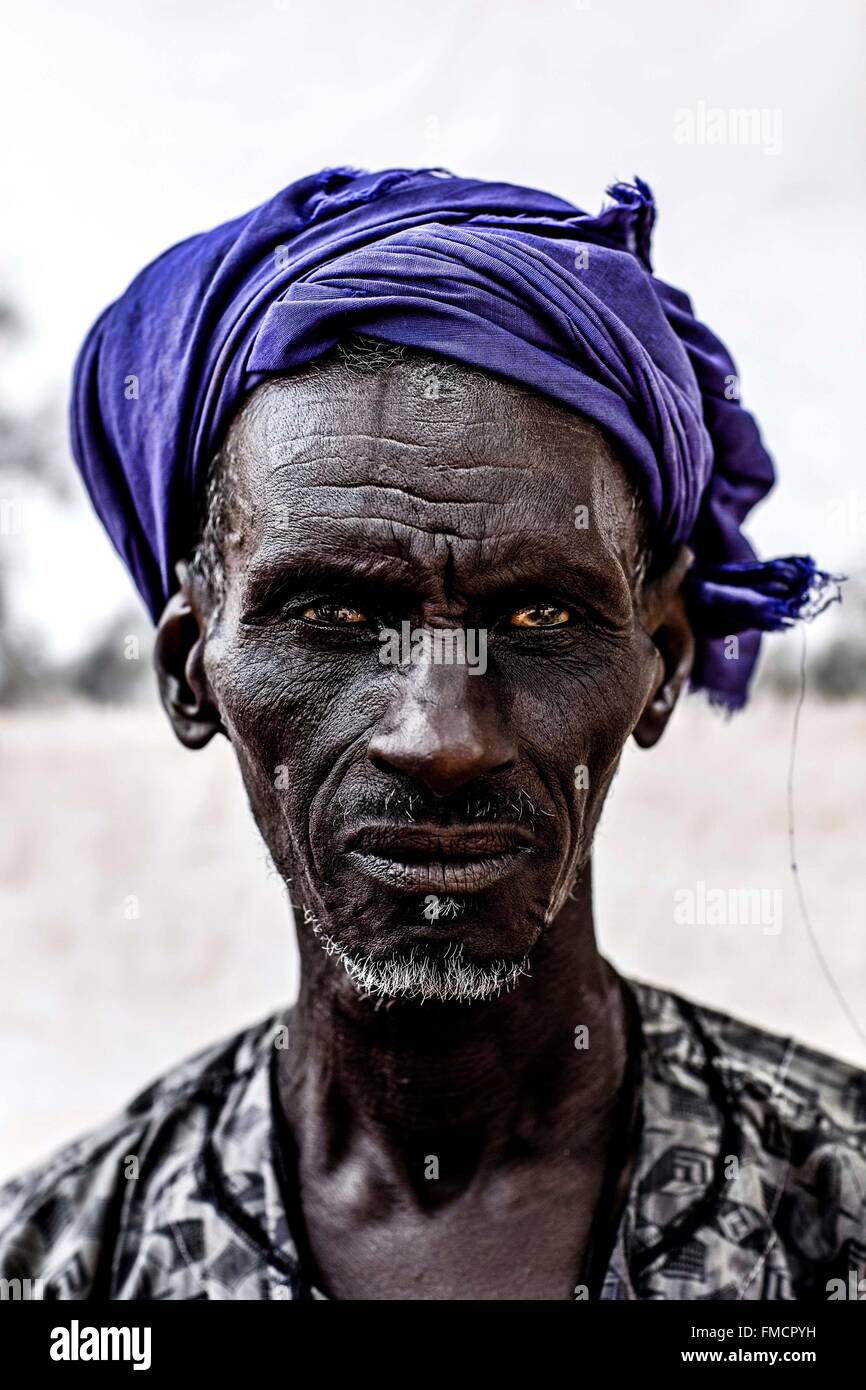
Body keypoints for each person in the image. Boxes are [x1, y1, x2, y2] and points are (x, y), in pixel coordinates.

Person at [1, 167, 861, 1301]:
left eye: (540, 615)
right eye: (335, 617)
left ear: (658, 663)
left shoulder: (829, 1221)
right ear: (190, 676)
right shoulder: (62, 1273)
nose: (442, 740)